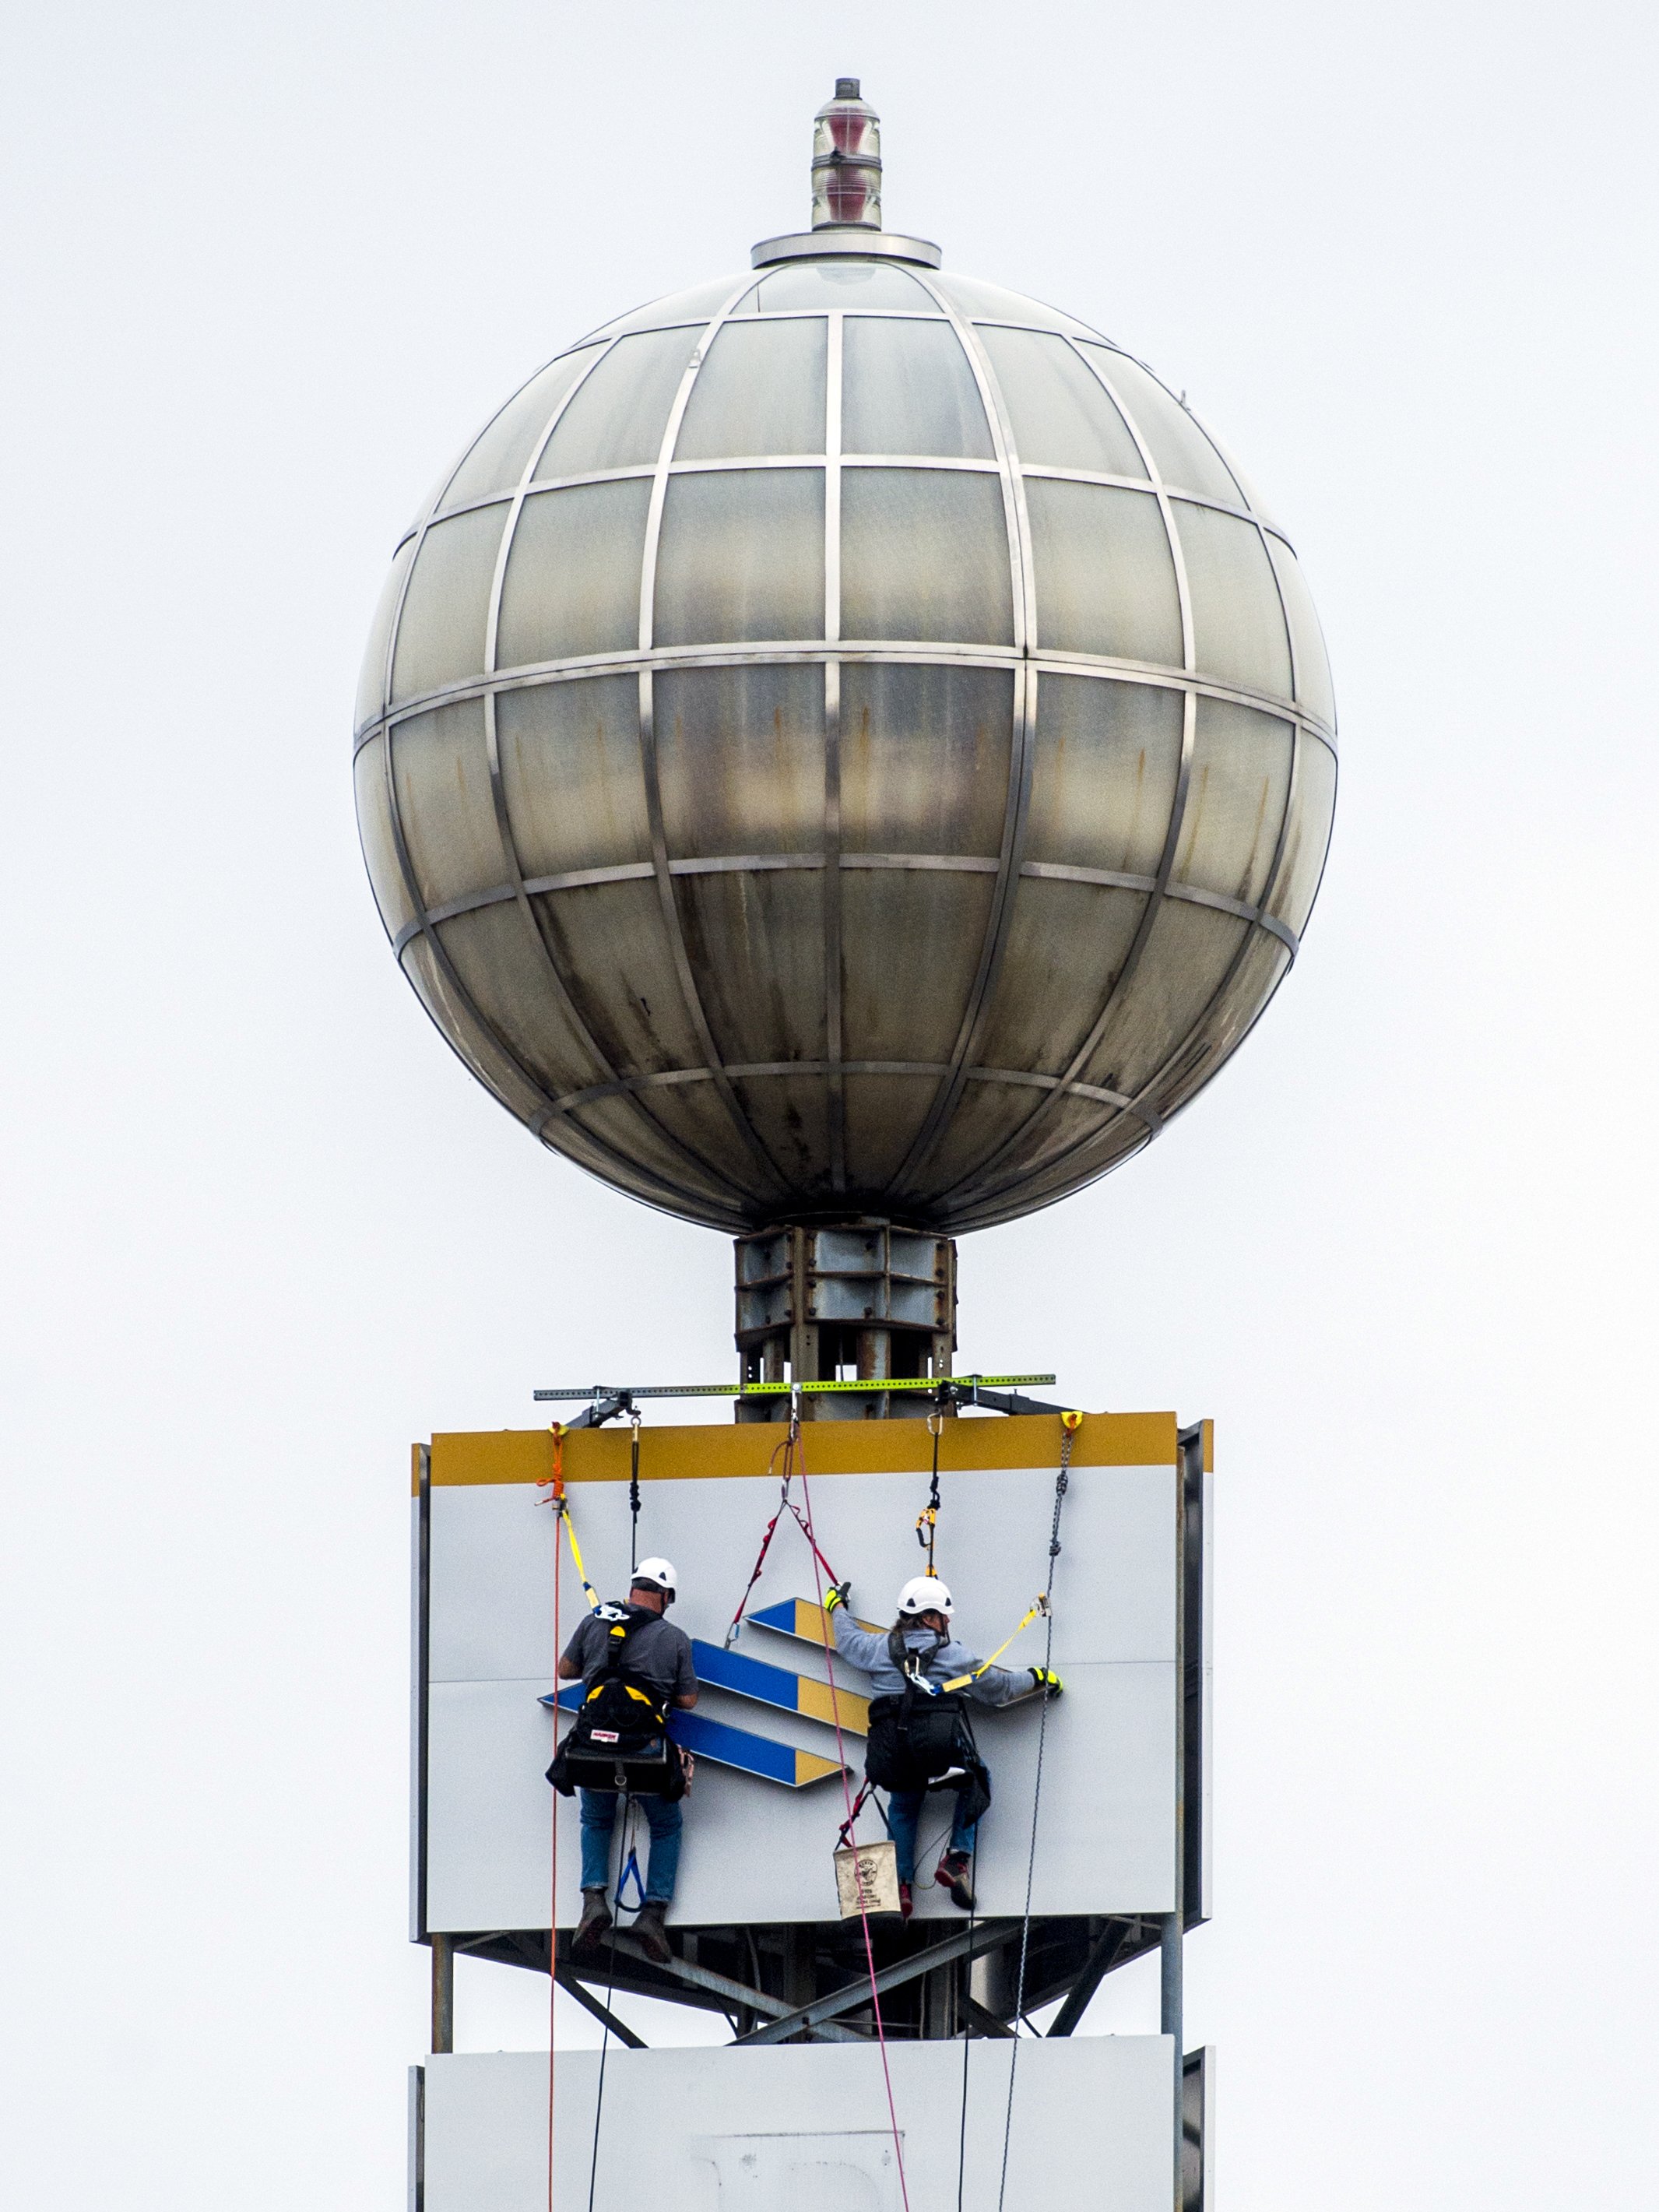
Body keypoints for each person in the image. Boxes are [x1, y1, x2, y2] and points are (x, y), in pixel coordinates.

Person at [826, 1574, 1062, 1917]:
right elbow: (998, 1690)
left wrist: (838, 1607)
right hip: (938, 1752)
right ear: (926, 1618)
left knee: (903, 1807)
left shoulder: (877, 1649)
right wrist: (1038, 1677)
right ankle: (956, 1860)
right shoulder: (952, 1656)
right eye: (942, 1614)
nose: (948, 1620)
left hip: (891, 1754)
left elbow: (847, 1640)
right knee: (976, 1780)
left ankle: (903, 1885)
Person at [554, 1557, 698, 1964]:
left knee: (596, 1818)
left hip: (595, 1747)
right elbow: (688, 1700)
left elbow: (566, 1670)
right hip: (643, 1750)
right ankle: (652, 1914)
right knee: (666, 1824)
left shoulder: (595, 1620)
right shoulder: (674, 1637)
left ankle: (593, 1901)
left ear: (634, 1585)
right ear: (666, 1595)